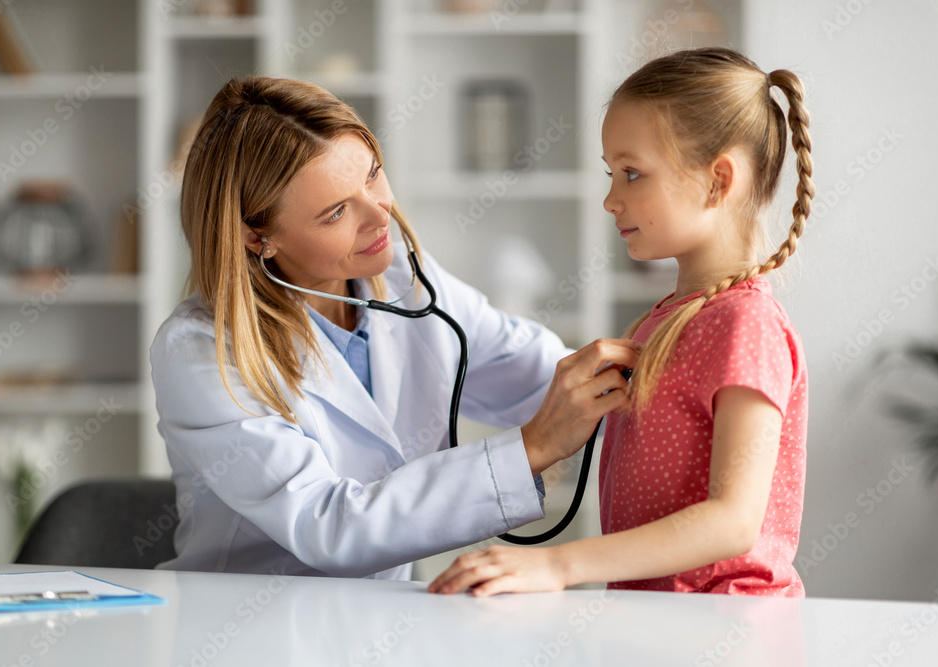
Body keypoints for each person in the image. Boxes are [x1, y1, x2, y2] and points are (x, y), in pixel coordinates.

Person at [150, 76, 639, 578]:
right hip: (245, 628)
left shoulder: (406, 280)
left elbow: (539, 374)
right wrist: (533, 447)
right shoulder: (201, 350)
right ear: (258, 237)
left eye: (372, 175)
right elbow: (329, 526)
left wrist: (666, 355)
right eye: (337, 211)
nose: (378, 214)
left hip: (376, 619)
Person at [429, 47, 813, 597]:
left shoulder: (745, 324)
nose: (611, 200)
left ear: (717, 181)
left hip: (726, 625)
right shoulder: (663, 321)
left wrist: (558, 567)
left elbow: (733, 522)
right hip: (660, 620)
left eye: (632, 174)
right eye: (612, 174)